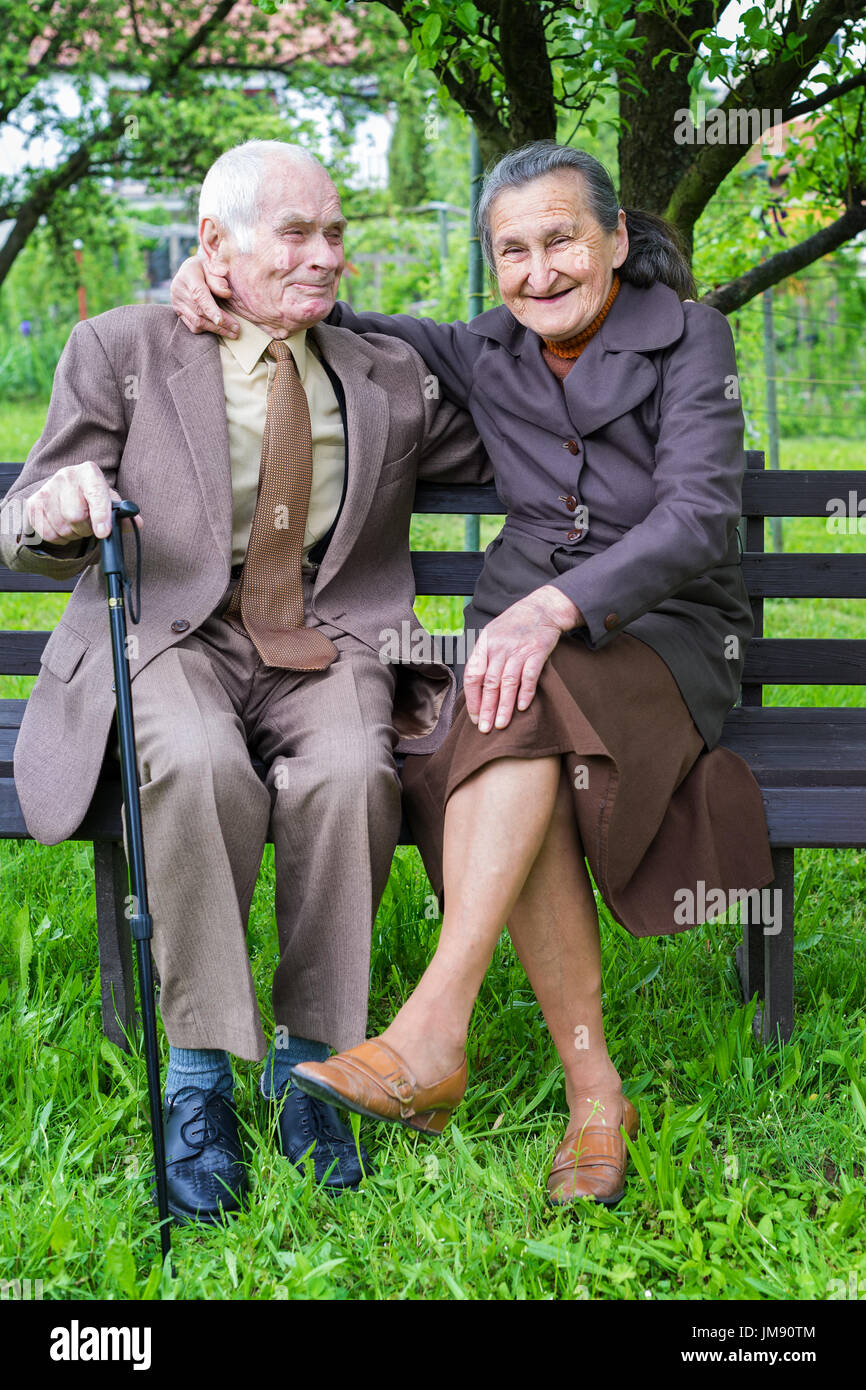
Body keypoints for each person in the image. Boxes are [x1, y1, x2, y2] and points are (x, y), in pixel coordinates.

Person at [170, 140, 775, 1208]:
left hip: (664, 635)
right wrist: (197, 273)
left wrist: (554, 607)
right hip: (518, 654)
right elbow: (318, 309)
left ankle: (433, 1028)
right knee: (511, 717)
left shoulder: (691, 339)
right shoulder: (481, 350)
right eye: (511, 252)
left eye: (561, 241)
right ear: (489, 264)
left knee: (510, 701)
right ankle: (594, 1097)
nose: (538, 271)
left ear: (615, 239)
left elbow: (697, 516)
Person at [0, 139, 487, 1222]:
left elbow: (516, 413)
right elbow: (25, 516)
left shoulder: (380, 370)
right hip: (172, 631)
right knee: (194, 761)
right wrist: (55, 510)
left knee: (352, 772)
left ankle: (314, 1065)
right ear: (214, 244)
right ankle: (198, 1078)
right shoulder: (119, 345)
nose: (326, 256)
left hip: (324, 639)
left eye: (336, 234)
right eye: (296, 234)